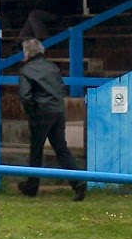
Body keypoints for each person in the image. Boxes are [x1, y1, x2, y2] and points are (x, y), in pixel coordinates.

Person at [15, 39, 84, 200]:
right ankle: (78, 182)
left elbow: (25, 96)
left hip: (41, 112)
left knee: (36, 150)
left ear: (27, 53)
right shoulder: (52, 67)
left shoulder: (26, 70)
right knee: (61, 149)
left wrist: (33, 113)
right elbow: (61, 88)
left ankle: (32, 186)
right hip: (58, 111)